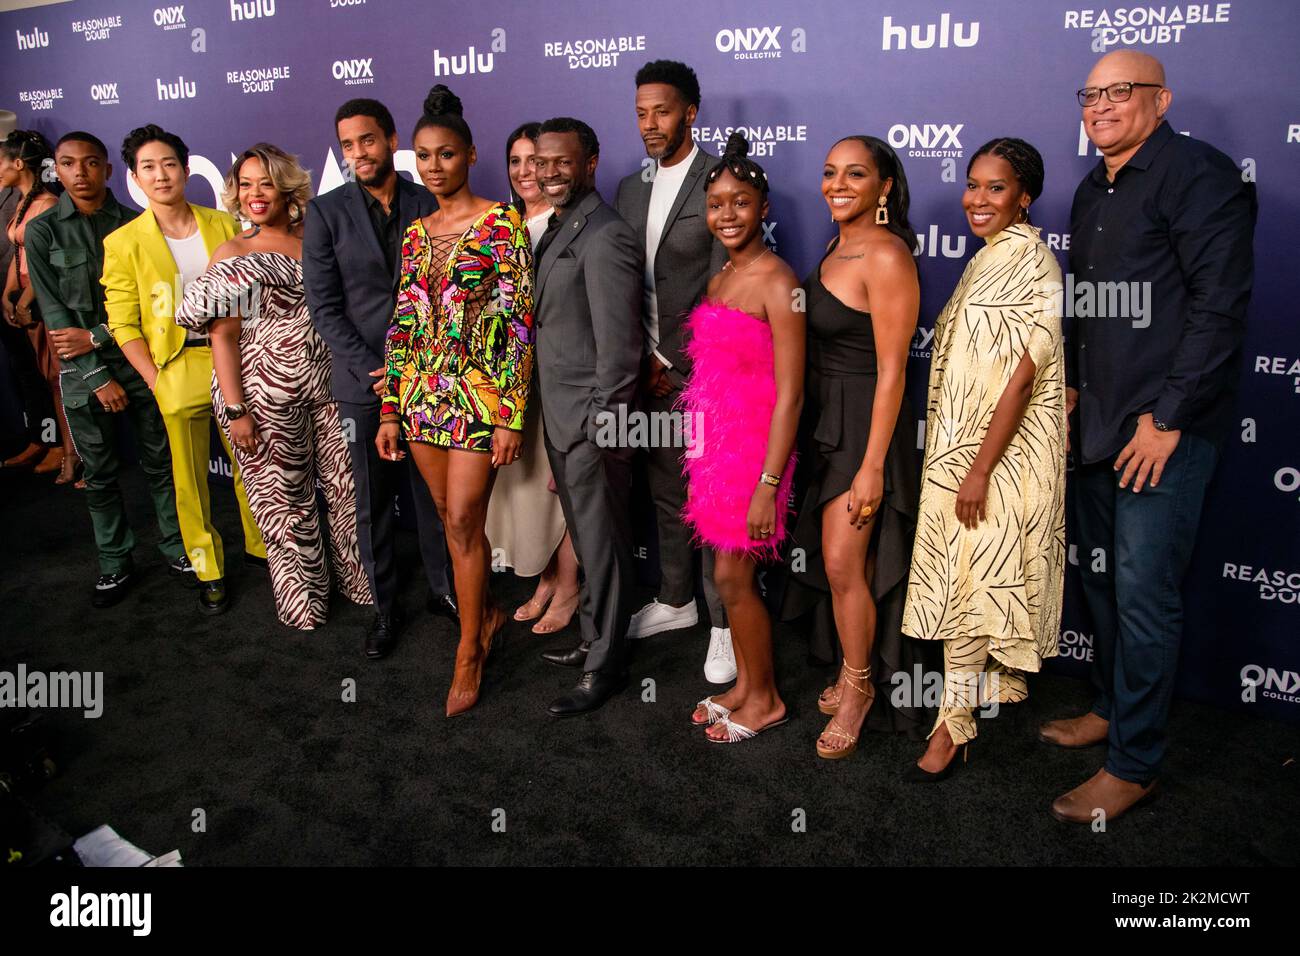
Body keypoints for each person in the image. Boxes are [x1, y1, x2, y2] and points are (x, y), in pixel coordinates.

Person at [1044, 50, 1257, 823]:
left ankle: (1135, 764)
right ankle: (1107, 706)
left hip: (1162, 432)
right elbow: (1089, 307)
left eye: (1120, 92)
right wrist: (1070, 384)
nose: (1101, 106)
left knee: (1142, 597)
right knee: (1100, 581)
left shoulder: (1198, 174)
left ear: (1159, 100)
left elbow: (1218, 307)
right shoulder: (1089, 189)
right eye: (1090, 93)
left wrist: (1167, 419)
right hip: (1100, 423)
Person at [901, 138, 1066, 781]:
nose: (976, 198)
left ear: (1024, 197)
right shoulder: (989, 259)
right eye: (972, 184)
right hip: (962, 453)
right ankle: (977, 698)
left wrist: (977, 468)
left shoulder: (1034, 263)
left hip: (999, 461)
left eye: (995, 188)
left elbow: (1023, 379)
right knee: (967, 584)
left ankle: (953, 725)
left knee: (971, 589)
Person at [376, 86, 534, 716]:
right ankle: (488, 614)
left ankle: (468, 652)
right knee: (444, 513)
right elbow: (402, 320)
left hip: (476, 393)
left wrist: (507, 413)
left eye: (446, 154)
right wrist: (390, 405)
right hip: (420, 389)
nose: (434, 166)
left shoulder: (502, 223)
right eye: (423, 156)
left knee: (466, 520)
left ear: (470, 154)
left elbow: (518, 320)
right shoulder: (416, 233)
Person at [175, 144, 372, 630]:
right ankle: (304, 604)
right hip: (262, 395)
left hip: (331, 386)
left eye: (265, 183)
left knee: (348, 493)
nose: (254, 194)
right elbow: (222, 335)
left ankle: (360, 583)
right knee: (285, 501)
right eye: (245, 184)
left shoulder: (319, 238)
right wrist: (237, 408)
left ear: (287, 188)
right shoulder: (235, 252)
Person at [781, 135, 927, 756]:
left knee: (843, 562)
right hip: (826, 425)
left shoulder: (887, 256)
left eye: (855, 175)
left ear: (884, 187)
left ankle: (860, 684)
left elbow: (894, 371)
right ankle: (852, 667)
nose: (837, 185)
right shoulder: (840, 244)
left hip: (865, 430)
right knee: (844, 566)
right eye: (830, 173)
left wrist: (872, 468)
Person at [304, 98, 456, 660]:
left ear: (391, 140)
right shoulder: (325, 213)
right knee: (371, 501)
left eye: (367, 140)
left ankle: (444, 591)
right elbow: (325, 308)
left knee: (434, 496)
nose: (357, 153)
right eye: (346, 145)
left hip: (432, 378)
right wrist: (378, 372)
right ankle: (385, 608)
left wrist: (416, 369)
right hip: (362, 383)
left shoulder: (430, 200)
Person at [102, 124, 267, 614]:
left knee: (251, 464)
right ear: (134, 178)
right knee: (189, 480)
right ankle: (208, 568)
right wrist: (156, 381)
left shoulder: (223, 224)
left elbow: (253, 293)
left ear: (186, 168)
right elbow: (121, 322)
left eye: (168, 164)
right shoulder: (124, 242)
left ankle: (263, 549)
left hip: (237, 359)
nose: (160, 175)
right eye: (148, 167)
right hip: (176, 368)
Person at [24, 131, 189, 606]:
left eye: (91, 163)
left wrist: (97, 335)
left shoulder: (139, 225)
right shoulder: (43, 231)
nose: (80, 173)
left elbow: (152, 307)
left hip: (142, 362)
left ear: (109, 170)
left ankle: (176, 548)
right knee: (98, 475)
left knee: (163, 464)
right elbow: (56, 319)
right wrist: (98, 376)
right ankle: (115, 562)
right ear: (57, 168)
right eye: (68, 164)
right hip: (83, 376)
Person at [681, 132, 803, 743]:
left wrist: (768, 483)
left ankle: (768, 699)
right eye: (716, 203)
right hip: (716, 452)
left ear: (764, 209)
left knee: (733, 580)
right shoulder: (724, 277)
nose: (727, 215)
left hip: (756, 456)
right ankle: (747, 686)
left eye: (741, 203)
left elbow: (792, 393)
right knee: (728, 578)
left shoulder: (780, 282)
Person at [615, 60, 733, 682]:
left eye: (661, 111)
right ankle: (677, 598)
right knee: (664, 488)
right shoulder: (630, 190)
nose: (649, 124)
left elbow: (723, 282)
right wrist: (637, 359)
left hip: (703, 370)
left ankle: (724, 623)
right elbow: (620, 284)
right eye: (640, 113)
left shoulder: (719, 180)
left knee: (710, 498)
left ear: (690, 111)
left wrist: (670, 360)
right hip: (642, 370)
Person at [532, 117, 644, 716]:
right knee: (587, 538)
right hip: (561, 416)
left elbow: (621, 352)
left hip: (591, 425)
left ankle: (609, 665)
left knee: (603, 544)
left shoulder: (606, 237)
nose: (549, 172)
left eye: (562, 162)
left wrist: (601, 428)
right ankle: (594, 637)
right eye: (540, 161)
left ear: (591, 162)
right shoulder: (558, 227)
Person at [483, 122, 580, 636]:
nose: (526, 171)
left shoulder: (568, 223)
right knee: (526, 489)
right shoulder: (502, 223)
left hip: (555, 376)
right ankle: (545, 578)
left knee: (558, 487)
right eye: (516, 161)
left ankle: (569, 587)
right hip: (509, 378)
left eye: (534, 160)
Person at [1, 130, 74, 481]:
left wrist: (28, 298)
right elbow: (19, 252)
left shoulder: (47, 203)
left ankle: (71, 452)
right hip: (25, 299)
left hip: (45, 298)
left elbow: (46, 262)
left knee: (61, 379)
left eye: (1, 161)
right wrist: (8, 293)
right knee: (47, 378)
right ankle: (58, 446)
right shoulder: (20, 201)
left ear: (18, 163)